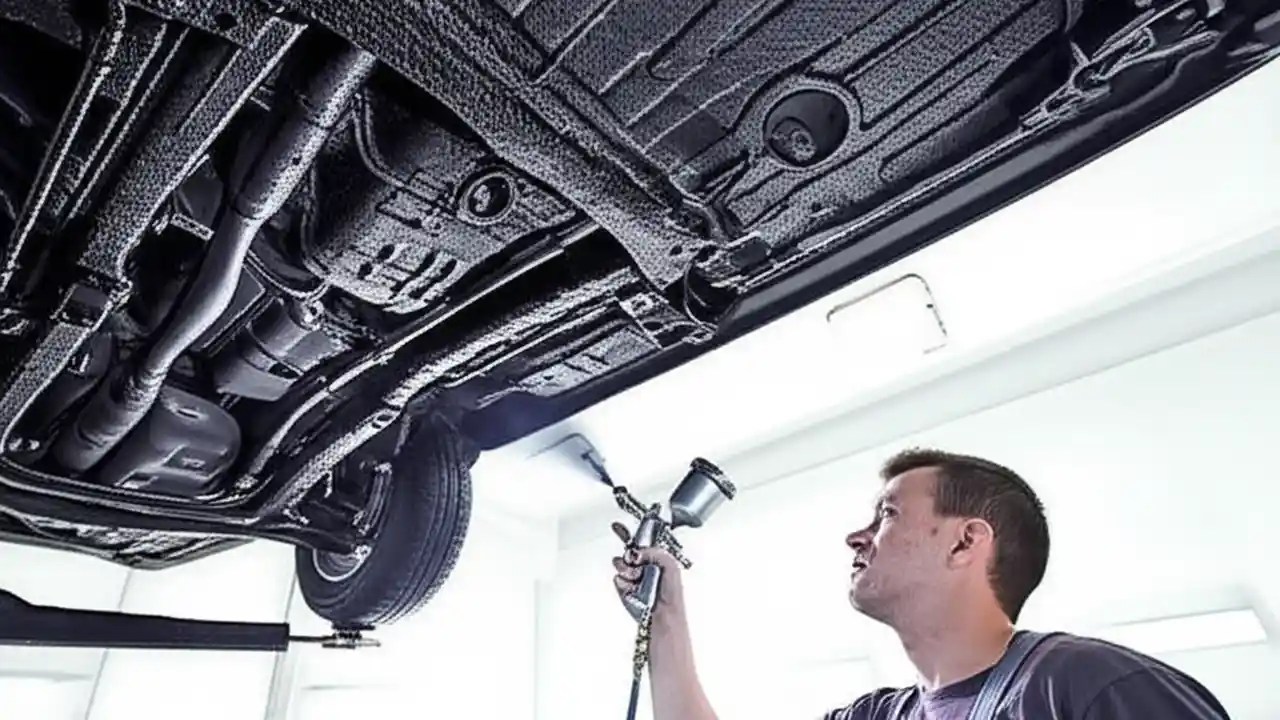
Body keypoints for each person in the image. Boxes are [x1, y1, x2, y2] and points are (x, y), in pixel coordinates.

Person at [610, 448, 1231, 719]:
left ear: (966, 542)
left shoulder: (1082, 686)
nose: (856, 538)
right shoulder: (880, 715)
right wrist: (662, 617)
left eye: (885, 515)